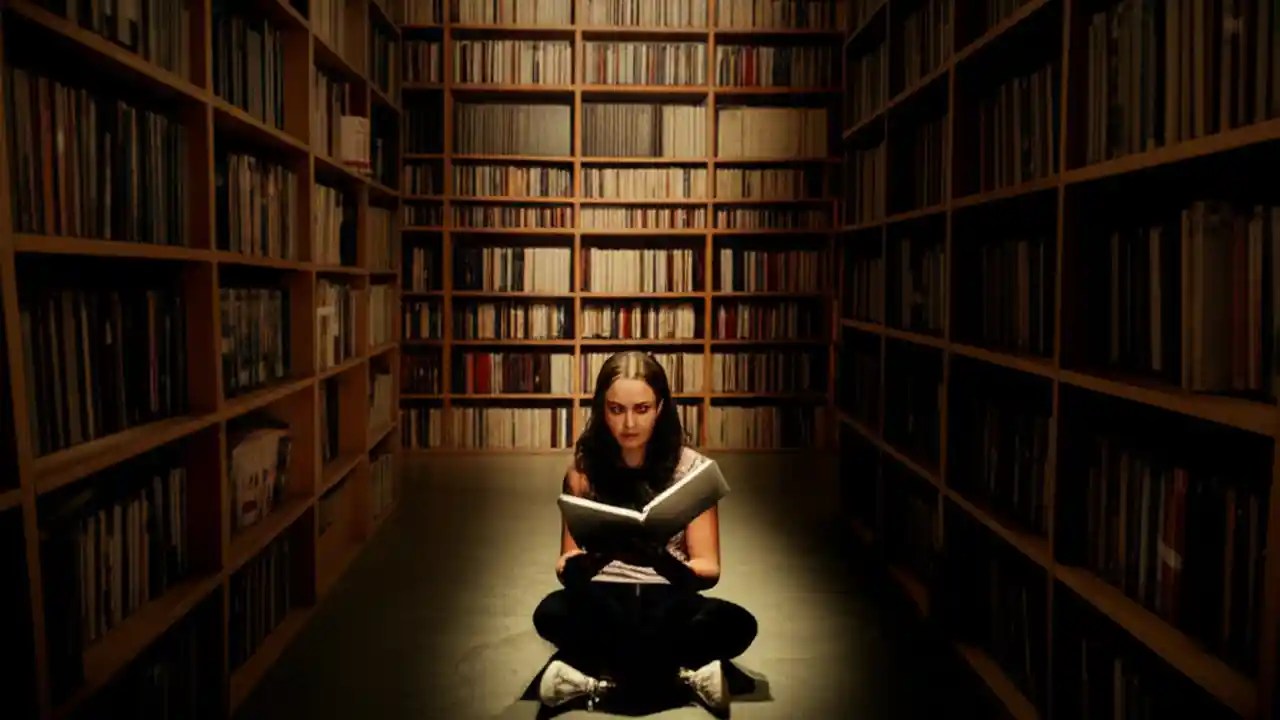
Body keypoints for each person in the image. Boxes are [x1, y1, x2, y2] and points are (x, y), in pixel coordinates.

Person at [532, 351, 757, 716]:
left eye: (642, 409)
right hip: (605, 596)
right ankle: (684, 680)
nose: (629, 423)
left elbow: (708, 568)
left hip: (668, 597)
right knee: (551, 613)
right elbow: (566, 563)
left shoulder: (693, 472)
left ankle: (592, 685)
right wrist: (597, 557)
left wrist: (662, 562)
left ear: (660, 408)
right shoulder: (582, 472)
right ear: (601, 410)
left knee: (736, 624)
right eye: (616, 409)